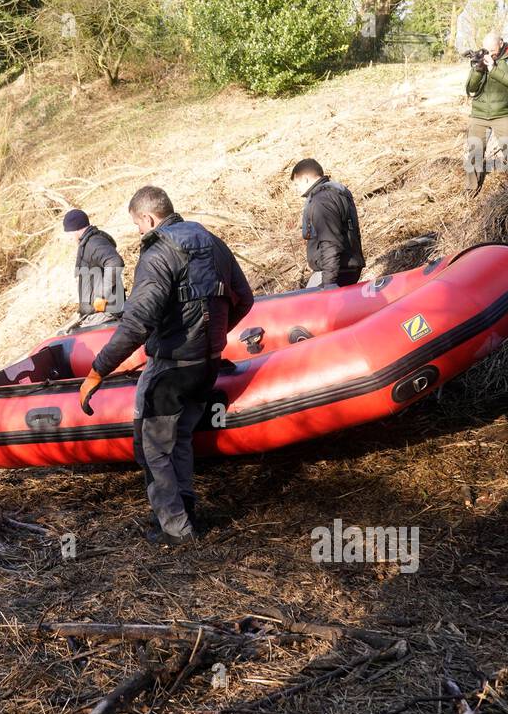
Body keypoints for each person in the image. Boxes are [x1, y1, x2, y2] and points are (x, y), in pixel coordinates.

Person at [77, 186, 252, 547]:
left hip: (171, 368)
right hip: (206, 364)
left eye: (138, 226)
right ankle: (185, 511)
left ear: (148, 218)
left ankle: (175, 527)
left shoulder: (159, 253)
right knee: (182, 439)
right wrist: (213, 338)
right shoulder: (213, 243)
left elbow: (136, 323)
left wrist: (97, 371)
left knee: (153, 449)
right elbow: (244, 299)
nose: (139, 233)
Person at [464, 32, 508, 193]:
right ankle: (471, 187)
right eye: (487, 50)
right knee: (474, 150)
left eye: (492, 50)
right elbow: (470, 88)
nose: (490, 54)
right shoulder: (482, 57)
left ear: (501, 43)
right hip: (479, 113)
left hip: (504, 112)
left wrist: (493, 68)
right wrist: (478, 69)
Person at [289, 159, 365, 287]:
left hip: (335, 272)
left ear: (306, 179)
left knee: (309, 306)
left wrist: (328, 284)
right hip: (348, 268)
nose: (297, 190)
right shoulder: (336, 192)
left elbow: (330, 242)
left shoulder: (321, 201)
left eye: (297, 184)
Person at [63, 208, 125, 329]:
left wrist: (102, 296)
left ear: (75, 229)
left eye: (68, 233)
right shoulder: (87, 243)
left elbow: (115, 262)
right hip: (97, 313)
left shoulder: (94, 243)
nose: (68, 238)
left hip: (105, 313)